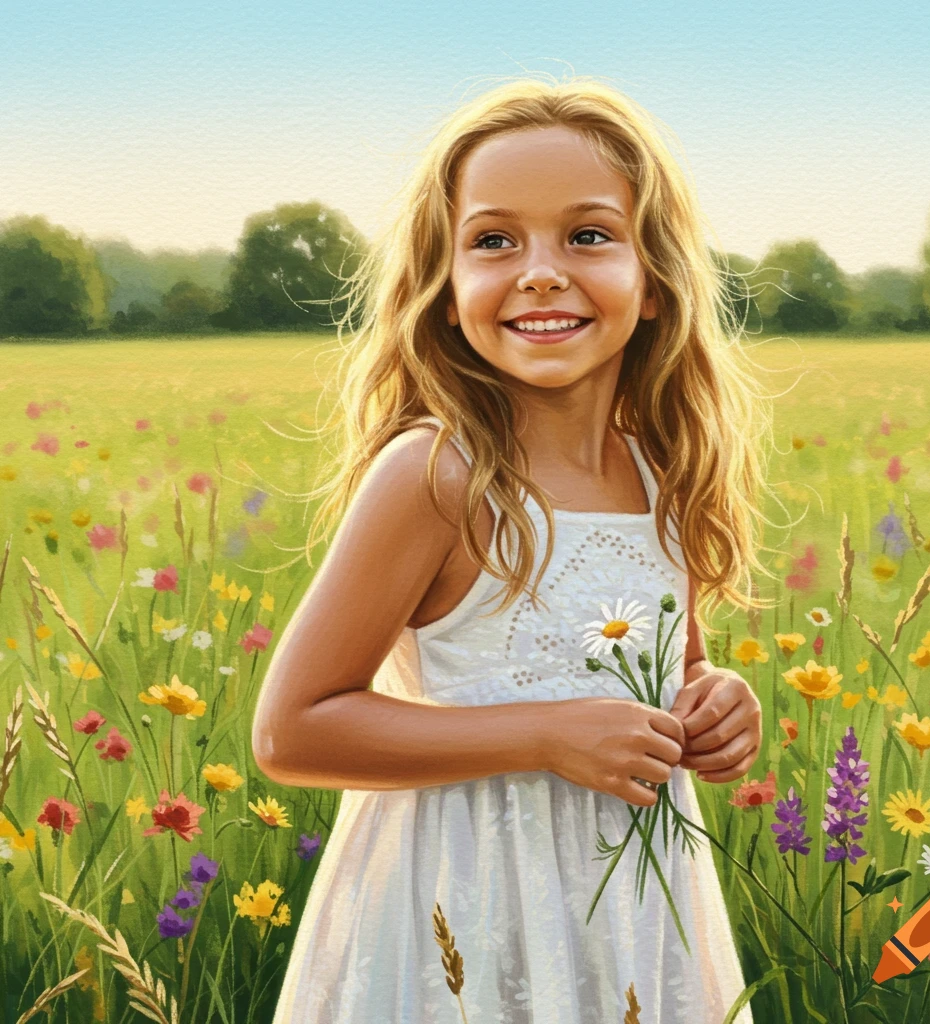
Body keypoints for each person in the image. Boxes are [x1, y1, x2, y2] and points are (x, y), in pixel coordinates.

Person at [253, 75, 777, 1023]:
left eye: (587, 235)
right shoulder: (438, 476)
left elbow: (671, 666)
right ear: (446, 294)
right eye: (494, 240)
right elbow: (294, 729)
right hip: (461, 907)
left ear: (653, 281)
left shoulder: (663, 472)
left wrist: (714, 701)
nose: (539, 271)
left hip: (629, 909)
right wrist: (542, 736)